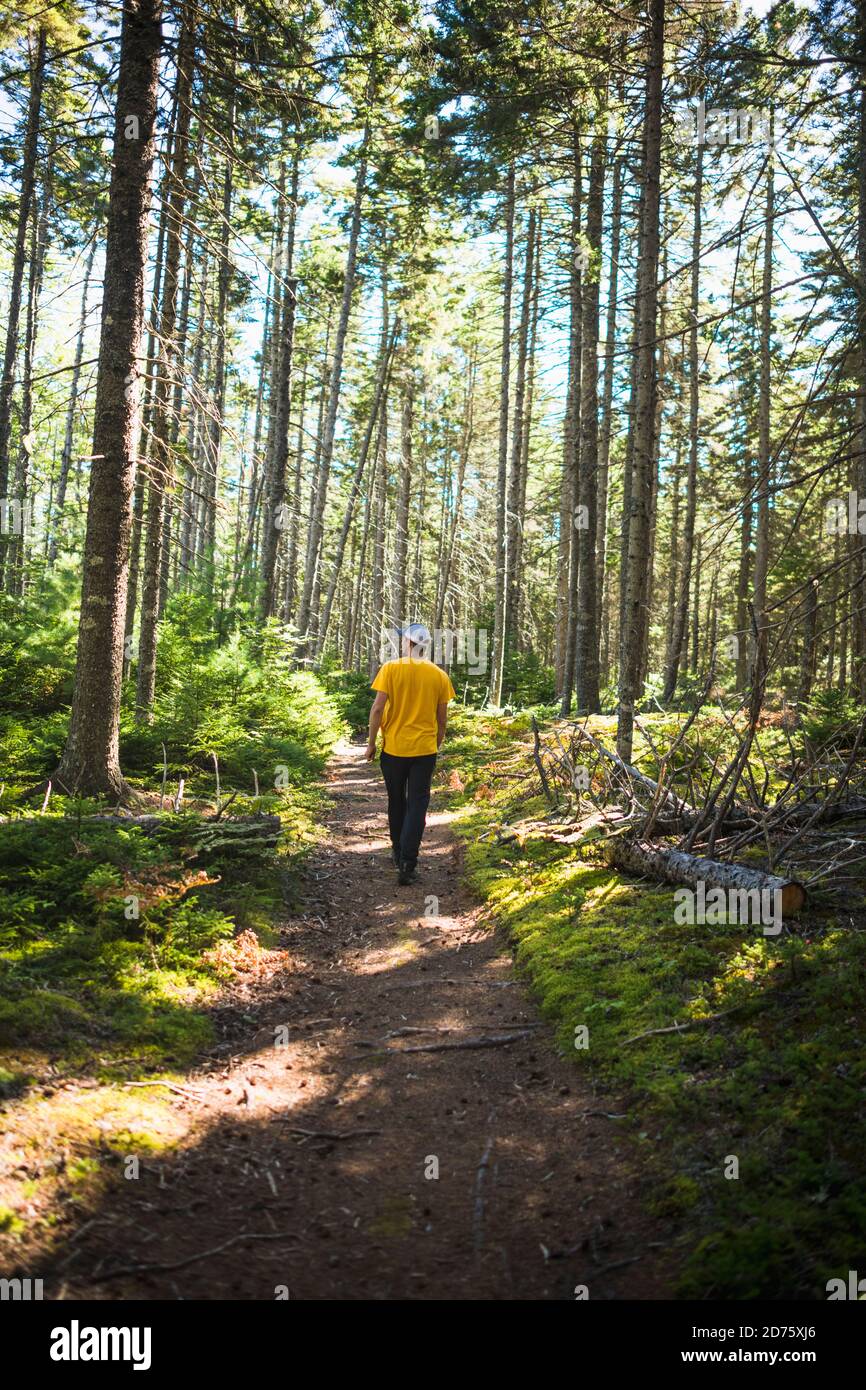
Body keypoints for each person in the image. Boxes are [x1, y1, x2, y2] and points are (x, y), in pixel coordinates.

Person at [366, 623, 455, 885]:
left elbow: (377, 710)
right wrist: (435, 745)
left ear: (407, 643)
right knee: (418, 804)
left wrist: (371, 743)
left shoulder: (391, 669)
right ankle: (408, 861)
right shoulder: (439, 676)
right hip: (424, 751)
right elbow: (442, 720)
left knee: (396, 801)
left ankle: (397, 849)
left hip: (394, 749)